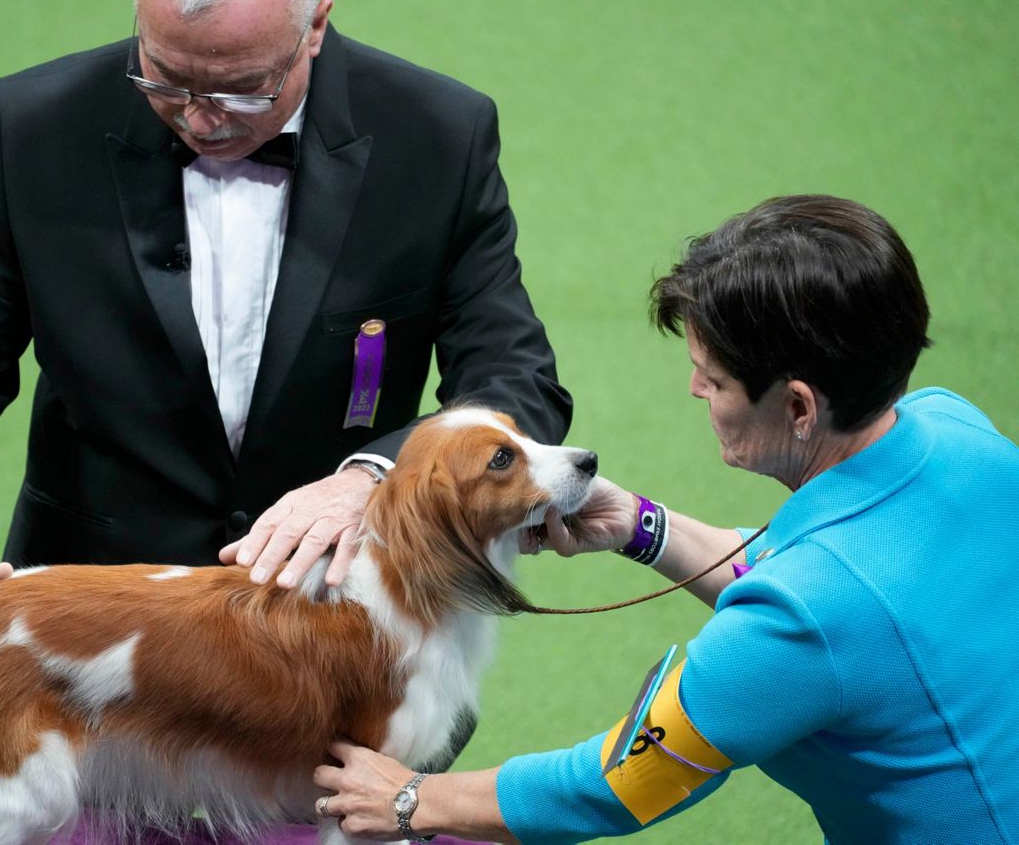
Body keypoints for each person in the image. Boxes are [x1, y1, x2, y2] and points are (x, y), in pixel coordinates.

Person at [0, 0, 571, 724]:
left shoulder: (438, 134)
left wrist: (373, 480)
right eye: (165, 79)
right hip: (87, 659)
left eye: (243, 88)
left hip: (345, 661)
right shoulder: (34, 124)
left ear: (315, 23)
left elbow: (514, 377)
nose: (201, 117)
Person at [312, 195, 1019, 843]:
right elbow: (830, 578)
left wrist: (413, 799)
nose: (692, 389)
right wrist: (637, 525)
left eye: (712, 379)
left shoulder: (802, 621)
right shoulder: (954, 429)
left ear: (799, 407)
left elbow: (619, 781)